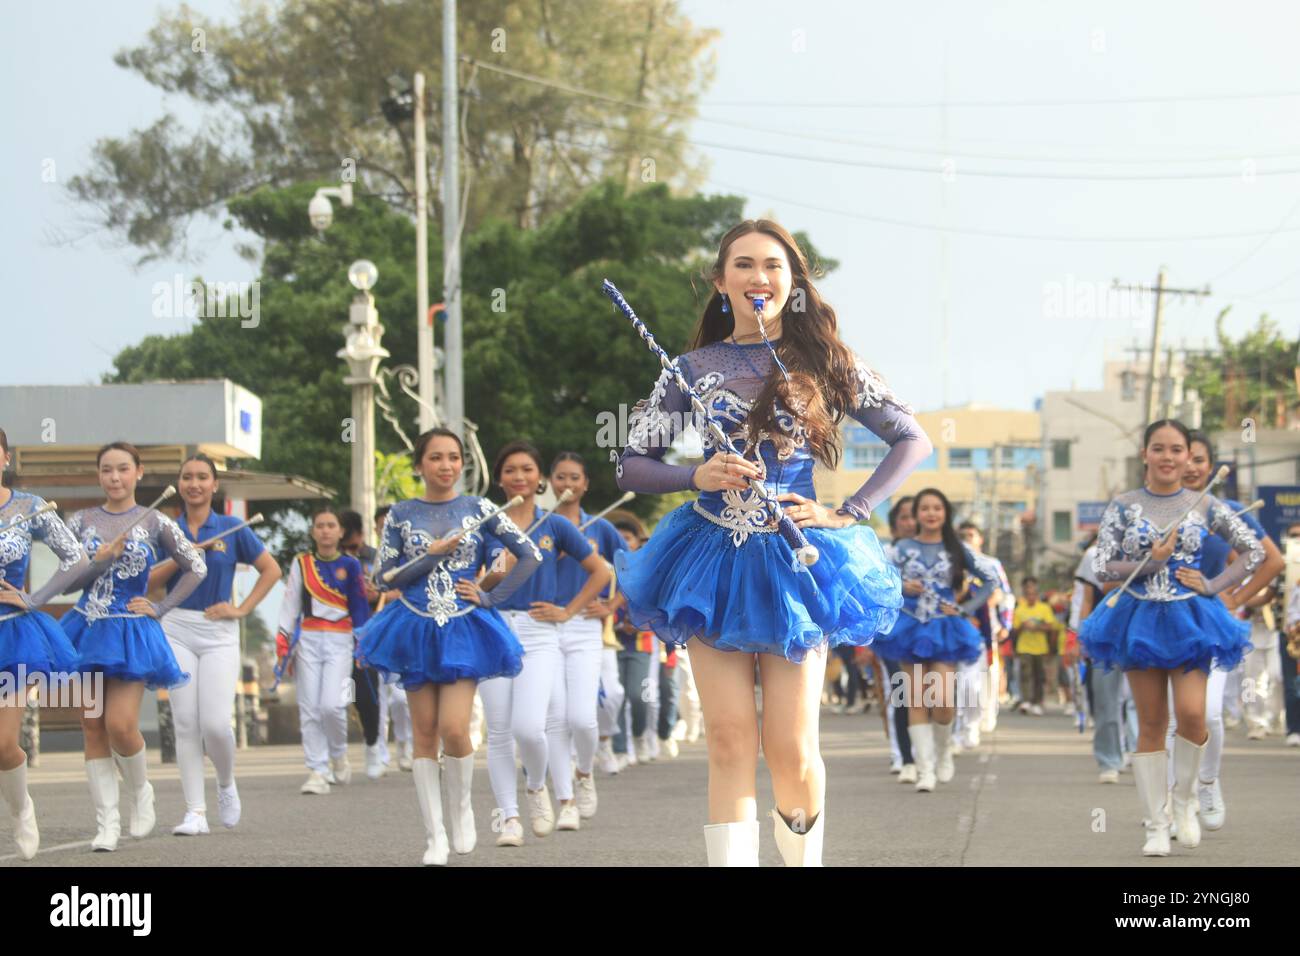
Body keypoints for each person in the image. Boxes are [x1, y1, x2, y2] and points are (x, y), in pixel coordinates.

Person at [614, 219, 931, 865]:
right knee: (729, 741)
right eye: (745, 265)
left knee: (789, 746)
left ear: (793, 282)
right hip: (708, 559)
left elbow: (913, 440)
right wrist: (692, 474)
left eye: (774, 266)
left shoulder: (828, 361)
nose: (760, 277)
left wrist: (850, 511)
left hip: (798, 555)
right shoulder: (692, 368)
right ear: (720, 279)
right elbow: (630, 464)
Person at [356, 428, 541, 865]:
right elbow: (381, 577)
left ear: (462, 464)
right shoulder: (401, 514)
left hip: (463, 625)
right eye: (436, 458)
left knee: (455, 728)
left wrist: (491, 592)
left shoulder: (479, 508)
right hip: (413, 626)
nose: (446, 465)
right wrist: (430, 555)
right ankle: (434, 835)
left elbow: (527, 553)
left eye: (454, 457)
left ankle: (460, 809)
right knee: (423, 733)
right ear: (419, 464)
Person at [1080, 419, 1262, 857]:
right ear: (1144, 455)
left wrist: (1214, 586)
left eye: (1176, 449)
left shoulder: (1207, 504)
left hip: (1191, 618)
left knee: (1193, 716)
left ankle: (1184, 805)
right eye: (1158, 448)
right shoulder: (1123, 505)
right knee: (1153, 723)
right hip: (1139, 618)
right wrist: (1149, 563)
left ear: (1188, 456)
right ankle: (1156, 823)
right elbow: (1102, 565)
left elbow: (1253, 551)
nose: (1167, 457)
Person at [62, 441, 208, 851]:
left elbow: (196, 566)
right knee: (92, 726)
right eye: (106, 470)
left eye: (123, 469)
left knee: (120, 725)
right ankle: (106, 823)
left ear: (138, 472)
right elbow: (67, 579)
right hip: (87, 628)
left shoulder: (156, 521)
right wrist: (98, 561)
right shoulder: (81, 521)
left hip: (129, 631)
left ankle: (141, 790)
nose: (114, 477)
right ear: (99, 475)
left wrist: (161, 607)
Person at [475, 441, 610, 846]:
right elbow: (479, 584)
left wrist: (568, 611)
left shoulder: (555, 525)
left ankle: (536, 785)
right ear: (499, 479)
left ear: (539, 480)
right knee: (498, 731)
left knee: (530, 728)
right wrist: (502, 567)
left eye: (527, 469)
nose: (519, 476)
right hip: (494, 627)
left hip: (539, 631)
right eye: (511, 470)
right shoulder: (488, 524)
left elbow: (599, 572)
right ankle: (510, 818)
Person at [150, 453, 281, 835]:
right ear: (179, 484)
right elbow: (150, 583)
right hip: (175, 626)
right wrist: (183, 556)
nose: (194, 484)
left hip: (219, 630)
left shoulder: (233, 528)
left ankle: (226, 783)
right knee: (186, 722)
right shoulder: (164, 529)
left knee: (216, 724)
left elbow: (271, 570)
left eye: (202, 477)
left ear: (213, 484)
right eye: (187, 477)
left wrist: (241, 609)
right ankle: (195, 811)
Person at [1169, 431, 1285, 831]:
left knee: (1210, 713)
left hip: (1211, 623)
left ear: (1211, 466)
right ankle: (1173, 801)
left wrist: (1233, 599)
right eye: (1184, 457)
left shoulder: (1229, 509)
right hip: (1161, 622)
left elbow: (1272, 561)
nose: (1191, 467)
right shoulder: (1152, 509)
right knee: (1172, 718)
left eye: (1200, 459)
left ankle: (1207, 782)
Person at [0, 427, 90, 859]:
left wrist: (35, 598)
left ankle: (21, 812)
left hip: (13, 633)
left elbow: (76, 557)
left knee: (3, 743)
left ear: (4, 458)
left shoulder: (30, 507)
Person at [871, 488, 997, 792]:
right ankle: (924, 769)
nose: (930, 513)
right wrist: (900, 585)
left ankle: (943, 751)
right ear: (916, 515)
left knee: (941, 701)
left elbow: (989, 580)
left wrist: (965, 607)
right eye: (924, 508)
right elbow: (876, 580)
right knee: (913, 698)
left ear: (945, 513)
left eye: (937, 508)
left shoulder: (957, 549)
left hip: (945, 628)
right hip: (909, 626)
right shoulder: (899, 549)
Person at [547, 452, 626, 815]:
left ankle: (584, 772)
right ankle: (564, 798)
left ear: (585, 484)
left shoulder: (600, 528)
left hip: (584, 628)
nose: (567, 484)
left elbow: (631, 570)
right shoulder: (538, 525)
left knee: (583, 716)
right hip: (543, 627)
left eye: (574, 478)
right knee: (557, 716)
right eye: (561, 477)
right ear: (550, 482)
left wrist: (611, 607)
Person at [275, 506, 369, 796]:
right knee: (310, 708)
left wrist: (364, 643)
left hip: (341, 643)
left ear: (341, 532)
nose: (326, 530)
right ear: (313, 531)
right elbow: (290, 602)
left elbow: (360, 607)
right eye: (320, 525)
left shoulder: (351, 566)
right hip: (309, 642)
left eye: (331, 525)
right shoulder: (301, 563)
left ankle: (338, 753)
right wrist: (282, 639)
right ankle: (317, 769)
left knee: (334, 705)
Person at [339, 508, 386, 779]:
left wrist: (376, 593)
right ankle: (337, 755)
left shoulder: (375, 558)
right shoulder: (330, 560)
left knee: (368, 695)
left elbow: (392, 588)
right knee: (339, 698)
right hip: (334, 635)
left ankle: (372, 746)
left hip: (367, 633)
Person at [1011, 577, 1061, 717]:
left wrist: (1038, 627)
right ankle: (1026, 701)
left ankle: (1037, 702)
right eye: (1028, 594)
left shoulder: (1044, 608)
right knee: (1025, 674)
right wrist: (1023, 626)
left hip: (1040, 648)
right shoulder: (1020, 609)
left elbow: (1051, 626)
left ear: (1037, 595)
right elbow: (1014, 629)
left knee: (1039, 676)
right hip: (1024, 647)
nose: (1031, 597)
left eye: (1033, 594)